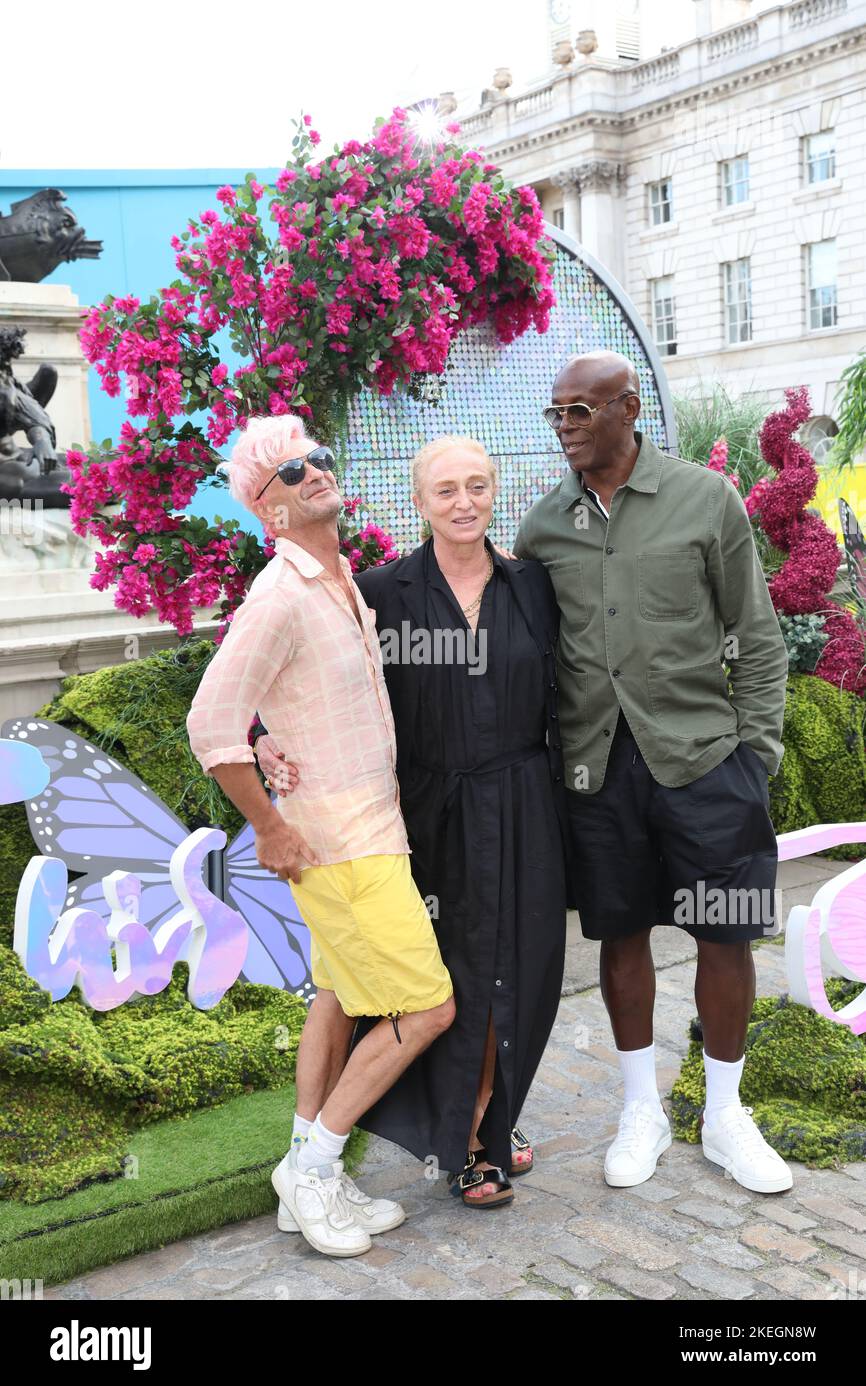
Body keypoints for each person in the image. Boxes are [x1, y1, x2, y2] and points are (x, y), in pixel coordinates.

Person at [258, 435, 568, 1207]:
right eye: (444, 491)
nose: (463, 503)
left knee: (513, 973)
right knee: (447, 978)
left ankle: (492, 1124)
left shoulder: (535, 587)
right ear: (420, 502)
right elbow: (293, 677)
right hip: (421, 814)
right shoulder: (379, 592)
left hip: (524, 799)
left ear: (495, 492)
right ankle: (462, 1137)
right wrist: (264, 744)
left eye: (476, 486)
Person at [514, 349, 793, 1195]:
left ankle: (724, 1114)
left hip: (707, 763)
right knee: (620, 933)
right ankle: (643, 1109)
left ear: (628, 408)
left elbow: (758, 633)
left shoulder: (705, 499)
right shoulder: (543, 528)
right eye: (555, 413)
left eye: (581, 411)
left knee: (726, 934)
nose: (565, 427)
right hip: (597, 774)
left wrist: (757, 756)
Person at [186, 413, 455, 1258]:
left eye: (319, 459)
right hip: (337, 843)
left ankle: (304, 1164)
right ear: (267, 508)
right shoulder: (278, 597)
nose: (316, 474)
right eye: (293, 473)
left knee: (339, 998)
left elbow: (277, 711)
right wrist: (270, 826)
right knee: (428, 1007)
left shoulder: (336, 580)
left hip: (368, 826)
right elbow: (212, 724)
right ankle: (317, 1170)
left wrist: (274, 749)